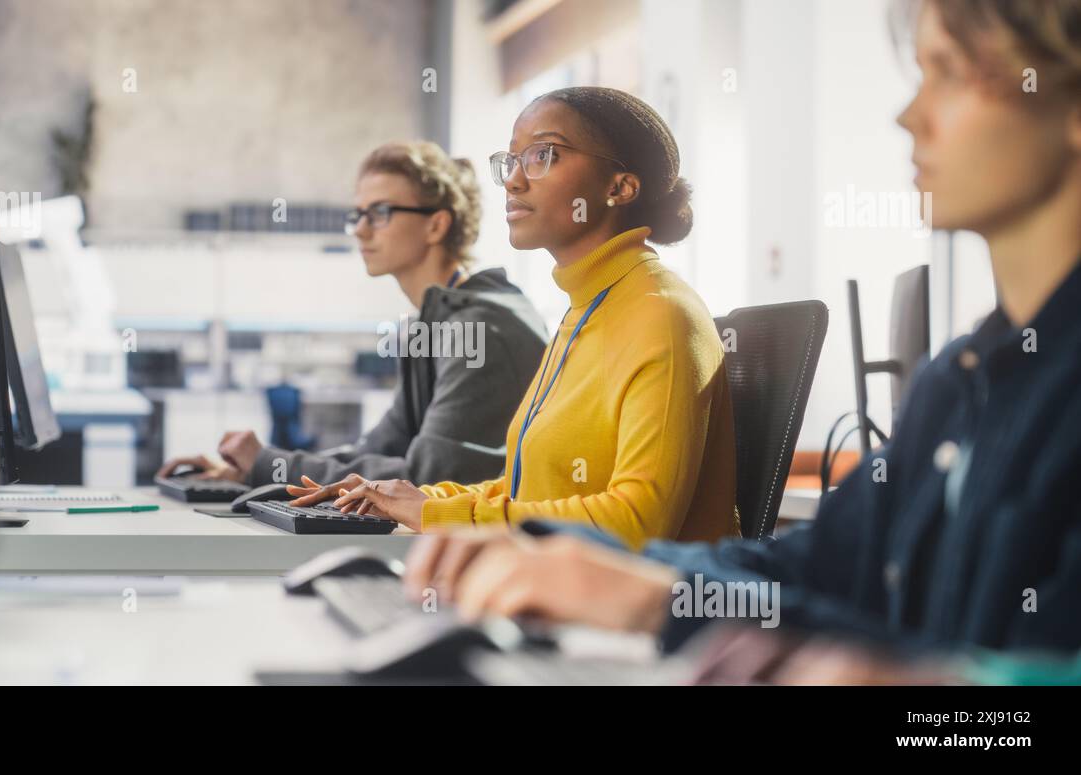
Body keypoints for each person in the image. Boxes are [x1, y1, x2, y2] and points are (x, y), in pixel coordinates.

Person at [402, 0, 1081, 658]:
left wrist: (651, 596)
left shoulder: (657, 311)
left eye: (954, 72)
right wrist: (599, 570)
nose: (908, 115)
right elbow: (813, 567)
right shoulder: (955, 385)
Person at [290, 87, 740, 549]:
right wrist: (410, 497)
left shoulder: (659, 313)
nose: (514, 181)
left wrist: (432, 512)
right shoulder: (584, 313)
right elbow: (523, 492)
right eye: (511, 160)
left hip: (633, 611)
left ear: (619, 187)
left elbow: (636, 522)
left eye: (544, 154)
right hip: (551, 587)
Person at [158, 141, 546, 488]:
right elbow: (378, 448)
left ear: (436, 224)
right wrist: (253, 470)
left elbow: (427, 482)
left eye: (379, 213)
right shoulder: (432, 325)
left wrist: (271, 464)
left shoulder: (478, 329)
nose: (359, 230)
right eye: (357, 215)